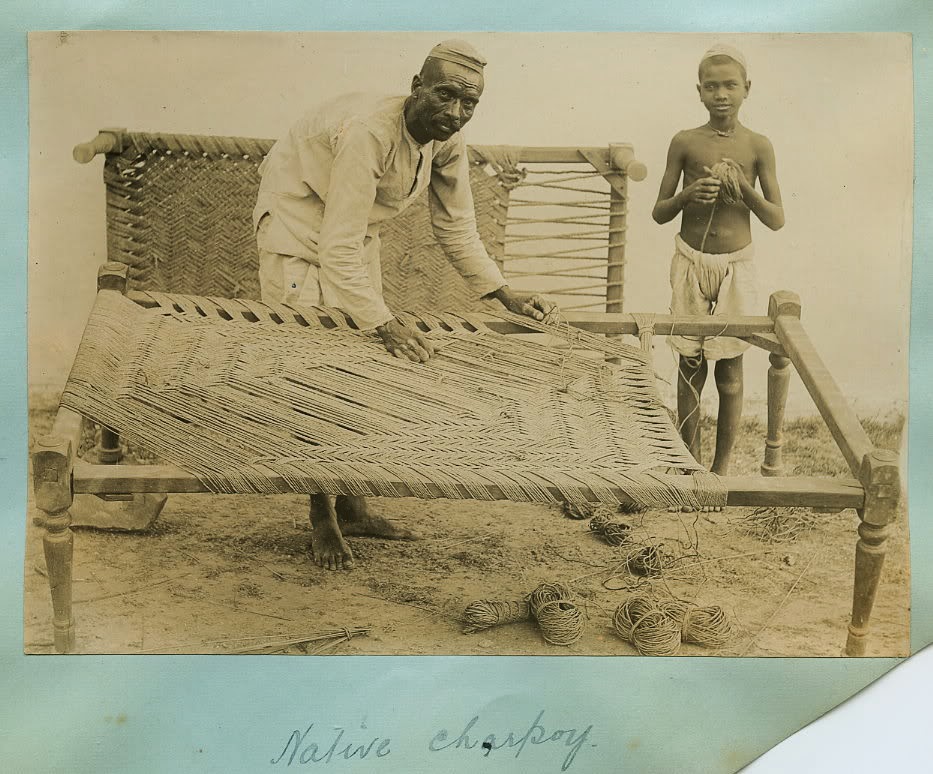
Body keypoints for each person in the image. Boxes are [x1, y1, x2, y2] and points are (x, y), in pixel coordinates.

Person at [253, 39, 555, 569]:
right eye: (444, 96)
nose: (455, 113)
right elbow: (334, 245)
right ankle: (320, 514)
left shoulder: (447, 139)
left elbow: (455, 226)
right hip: (299, 229)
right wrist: (386, 322)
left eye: (469, 104)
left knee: (359, 368)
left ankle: (353, 507)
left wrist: (504, 293)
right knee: (314, 375)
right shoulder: (370, 132)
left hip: (347, 237)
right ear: (416, 88)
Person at [651, 44, 784, 502]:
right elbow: (659, 212)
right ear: (699, 91)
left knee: (728, 369)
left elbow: (775, 217)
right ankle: (689, 468)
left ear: (747, 89)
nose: (721, 94)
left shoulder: (759, 144)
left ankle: (721, 472)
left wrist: (741, 188)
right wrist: (690, 195)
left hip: (735, 270)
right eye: (712, 86)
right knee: (689, 367)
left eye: (730, 85)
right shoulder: (685, 141)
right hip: (690, 262)